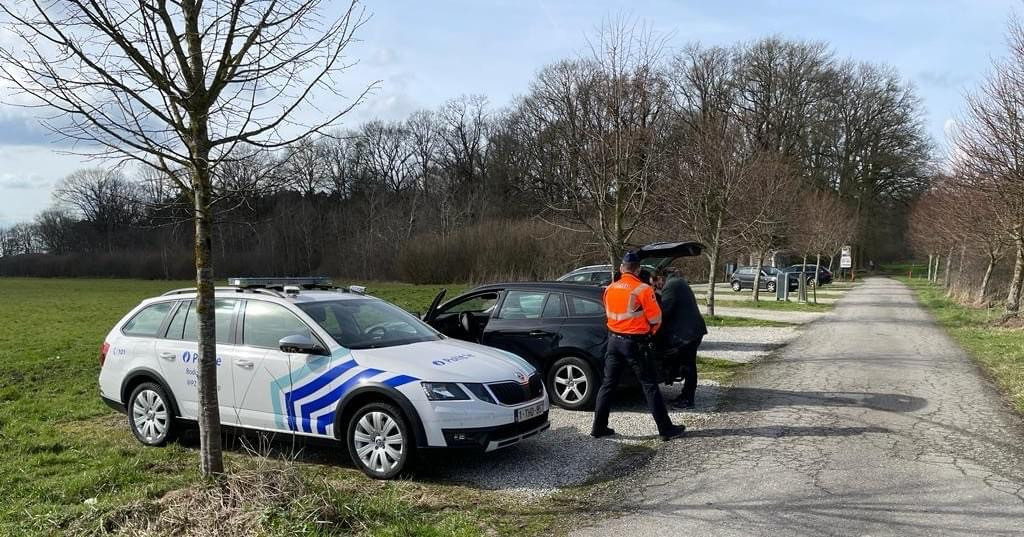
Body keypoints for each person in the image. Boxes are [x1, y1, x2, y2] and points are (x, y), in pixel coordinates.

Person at [590, 251, 686, 441]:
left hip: (613, 341)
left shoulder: (609, 288)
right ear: (638, 269)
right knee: (649, 385)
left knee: (608, 385)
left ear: (621, 268)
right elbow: (656, 319)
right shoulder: (643, 289)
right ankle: (666, 429)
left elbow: (609, 313)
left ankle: (598, 427)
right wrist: (649, 333)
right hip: (635, 343)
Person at [652, 268, 708, 409]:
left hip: (687, 333)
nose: (657, 286)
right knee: (688, 364)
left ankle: (688, 399)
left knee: (688, 366)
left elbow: (664, 311)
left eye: (656, 283)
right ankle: (686, 396)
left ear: (661, 278)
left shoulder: (671, 285)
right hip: (692, 330)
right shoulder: (678, 282)